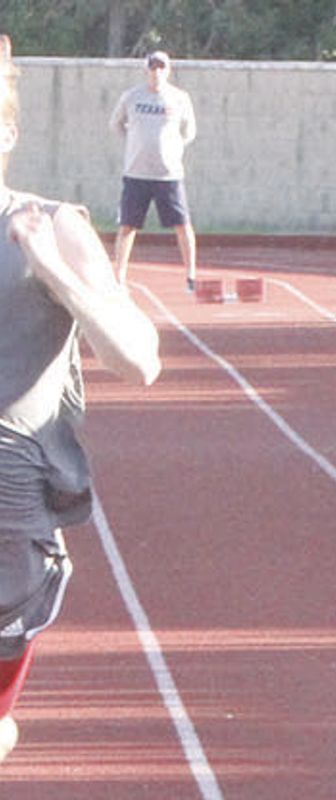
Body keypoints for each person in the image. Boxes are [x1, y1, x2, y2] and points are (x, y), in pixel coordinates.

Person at [0, 34, 161, 760]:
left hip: (9, 523)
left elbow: (138, 360)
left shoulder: (51, 224)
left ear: (8, 130)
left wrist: (52, 273)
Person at [108, 49, 197, 289]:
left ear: (168, 71)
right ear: (146, 70)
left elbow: (189, 132)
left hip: (169, 175)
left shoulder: (180, 98)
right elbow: (116, 125)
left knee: (182, 224)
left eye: (161, 67)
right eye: (153, 67)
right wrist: (134, 144)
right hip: (136, 173)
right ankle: (120, 276)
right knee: (127, 226)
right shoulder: (131, 97)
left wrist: (173, 150)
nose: (156, 72)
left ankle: (191, 275)